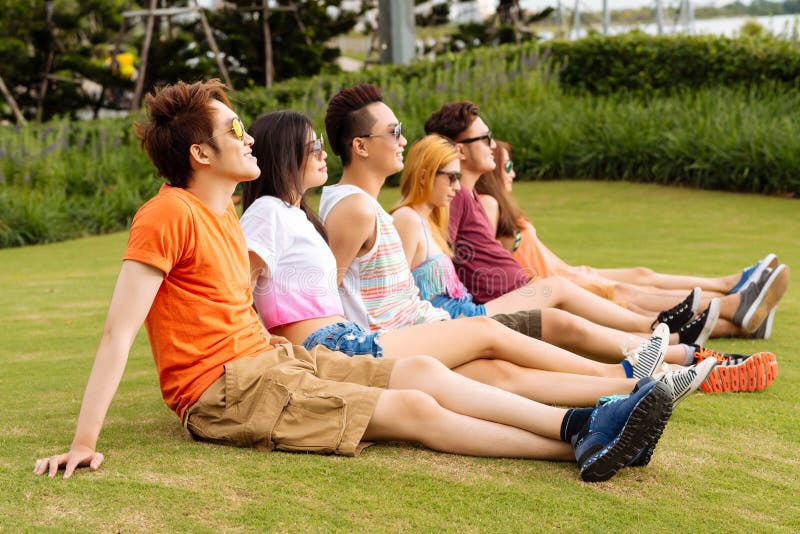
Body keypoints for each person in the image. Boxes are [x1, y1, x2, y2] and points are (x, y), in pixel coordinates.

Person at [30, 80, 675, 483]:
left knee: (426, 375)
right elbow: (119, 331)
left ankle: (590, 415)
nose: (247, 134)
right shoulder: (167, 213)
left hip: (270, 361)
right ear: (200, 154)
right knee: (416, 408)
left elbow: (248, 305)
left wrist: (296, 350)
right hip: (221, 391)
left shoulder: (223, 211)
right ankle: (582, 439)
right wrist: (84, 442)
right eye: (232, 129)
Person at [239, 110, 714, 407]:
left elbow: (328, 289)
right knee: (524, 319)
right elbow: (317, 291)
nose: (402, 139)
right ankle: (638, 367)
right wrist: (272, 356)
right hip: (381, 335)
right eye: (394, 131)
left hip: (395, 329)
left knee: (503, 371)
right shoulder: (335, 210)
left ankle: (647, 379)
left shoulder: (313, 213)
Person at [393, 134, 777, 394]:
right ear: (426, 174)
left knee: (568, 315)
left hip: (466, 315)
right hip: (460, 319)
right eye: (452, 177)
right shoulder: (407, 220)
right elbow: (389, 298)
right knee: (562, 300)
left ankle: (683, 353)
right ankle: (681, 349)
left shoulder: (430, 220)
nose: (459, 186)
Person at [423, 100, 790, 341]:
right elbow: (445, 256)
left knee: (630, 294)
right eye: (484, 137)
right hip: (516, 296)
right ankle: (724, 310)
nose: (492, 143)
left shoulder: (467, 196)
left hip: (531, 287)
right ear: (458, 148)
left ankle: (730, 313)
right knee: (627, 300)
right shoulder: (456, 201)